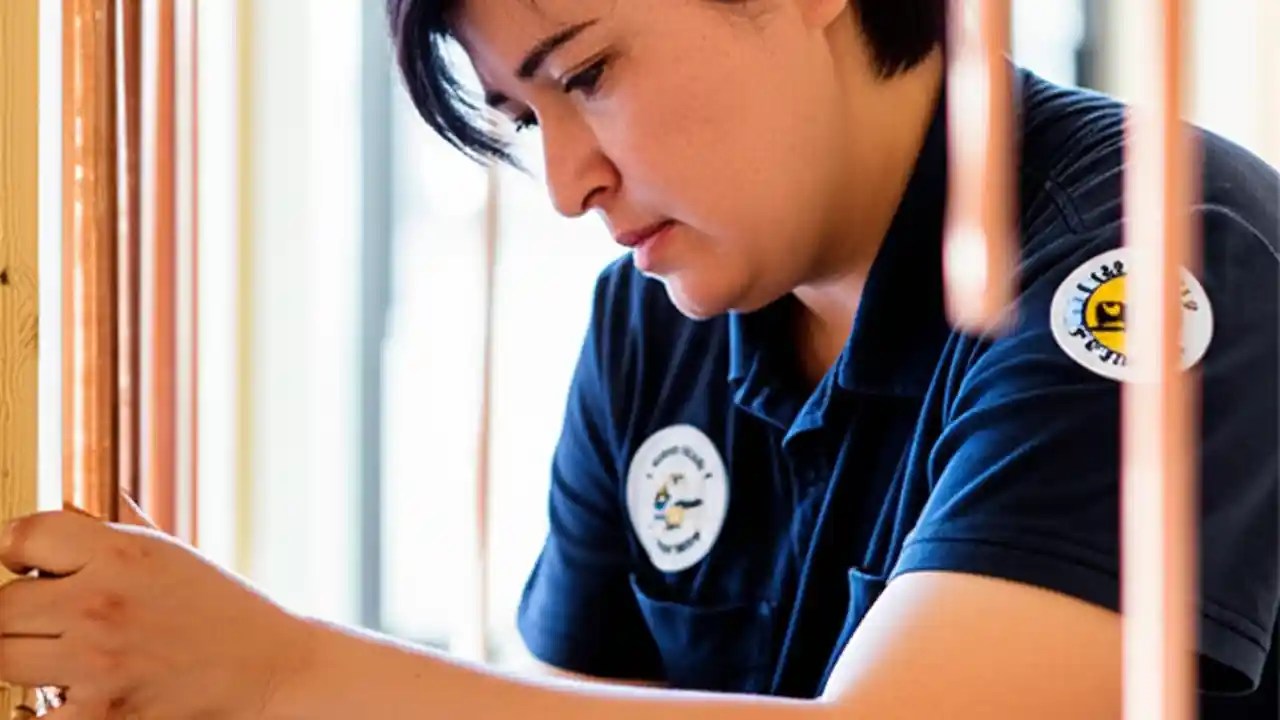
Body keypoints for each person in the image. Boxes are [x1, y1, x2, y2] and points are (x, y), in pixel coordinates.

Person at [0, 1, 1276, 717]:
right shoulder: (654, 319)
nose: (567, 184)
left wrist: (277, 670)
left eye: (589, 73)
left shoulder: (1155, 250)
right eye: (525, 118)